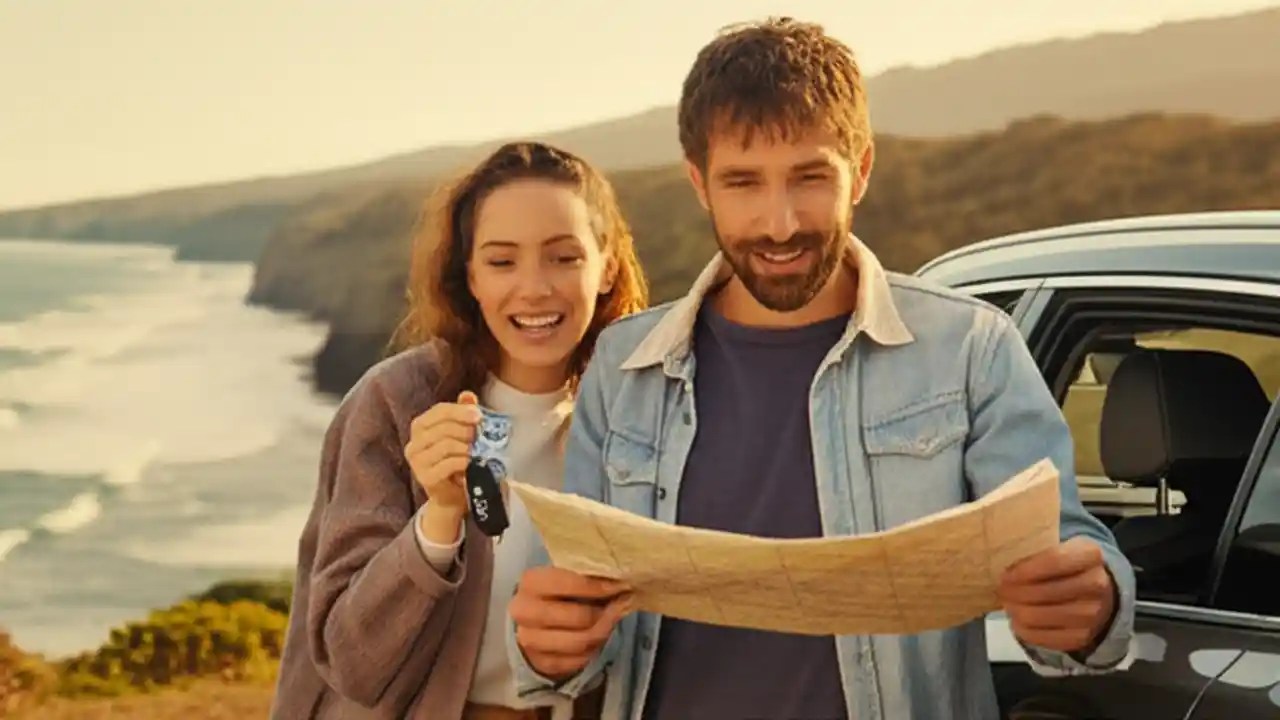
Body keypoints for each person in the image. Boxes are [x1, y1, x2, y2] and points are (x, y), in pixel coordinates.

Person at [506, 17, 1136, 720]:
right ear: (699, 184)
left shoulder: (971, 349)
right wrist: (545, 646)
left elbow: (1071, 547)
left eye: (810, 178)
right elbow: (576, 629)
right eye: (743, 183)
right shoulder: (623, 367)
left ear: (860, 170)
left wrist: (1093, 602)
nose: (779, 223)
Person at [270, 140, 649, 720]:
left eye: (563, 257)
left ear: (607, 269)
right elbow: (350, 662)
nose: (534, 287)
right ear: (469, 277)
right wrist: (438, 521)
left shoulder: (641, 415)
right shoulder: (395, 402)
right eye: (502, 262)